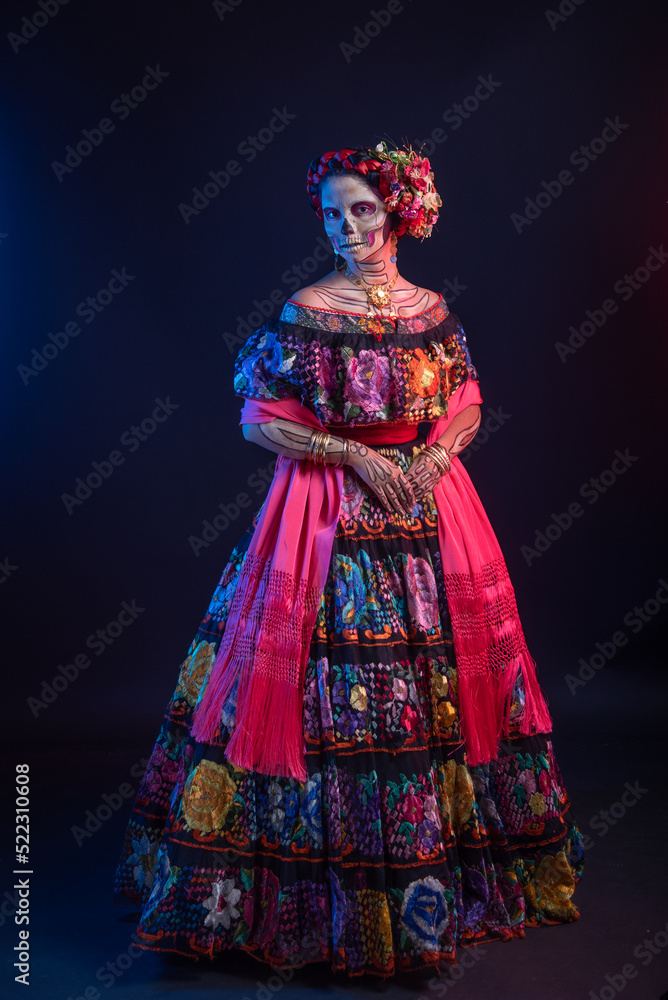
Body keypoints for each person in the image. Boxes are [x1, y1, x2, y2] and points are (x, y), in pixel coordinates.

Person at [113, 142, 585, 978]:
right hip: (324, 512)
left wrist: (434, 457)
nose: (346, 227)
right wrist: (354, 454)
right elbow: (260, 417)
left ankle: (443, 873)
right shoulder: (307, 311)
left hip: (430, 508)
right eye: (332, 213)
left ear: (398, 211)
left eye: (361, 209)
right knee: (311, 683)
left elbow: (467, 398)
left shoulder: (432, 310)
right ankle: (308, 895)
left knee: (443, 680)